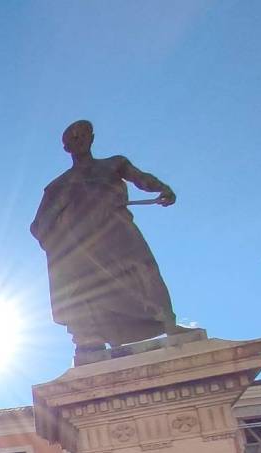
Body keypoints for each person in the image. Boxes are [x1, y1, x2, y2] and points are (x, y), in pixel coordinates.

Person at [31, 120, 184, 357]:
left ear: (91, 138)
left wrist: (161, 188)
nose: (78, 140)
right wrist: (59, 244)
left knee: (145, 270)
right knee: (92, 287)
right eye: (72, 138)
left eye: (82, 135)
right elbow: (39, 225)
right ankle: (90, 338)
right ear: (66, 148)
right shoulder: (59, 185)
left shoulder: (114, 164)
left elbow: (141, 178)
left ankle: (168, 323)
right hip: (86, 243)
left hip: (118, 231)